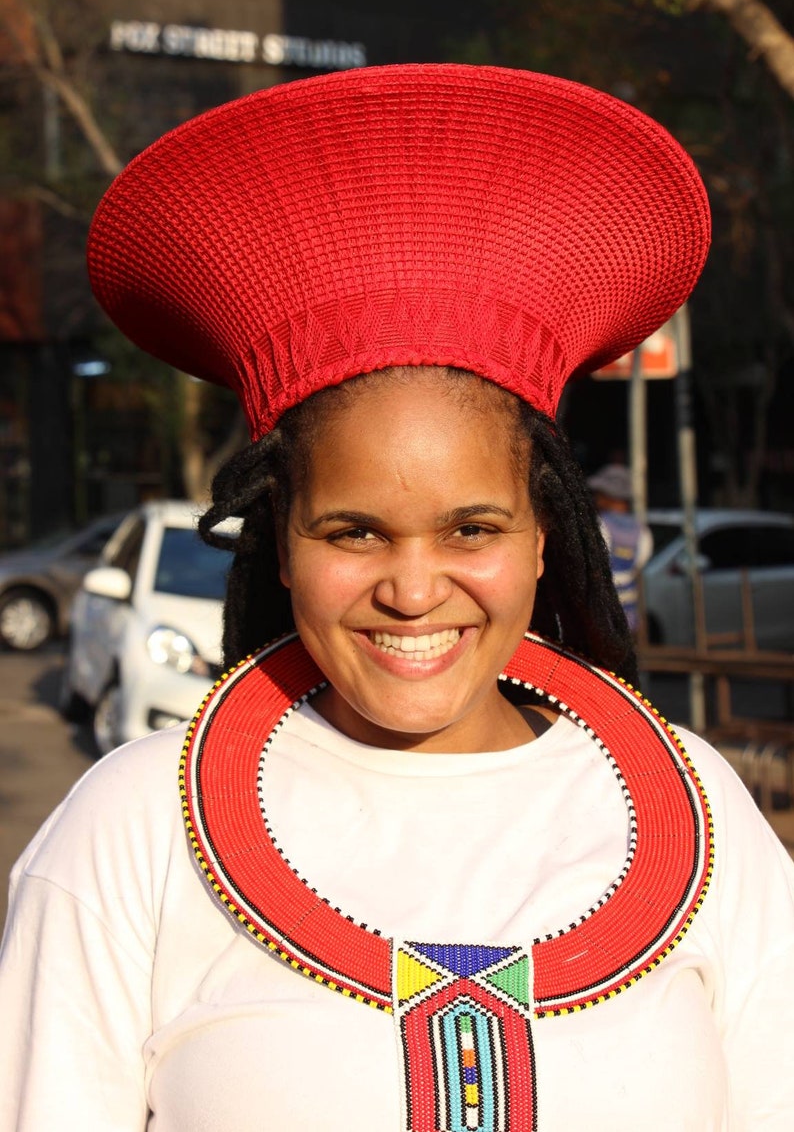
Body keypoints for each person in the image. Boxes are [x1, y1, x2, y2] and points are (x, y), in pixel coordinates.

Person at [1, 64, 792, 1131]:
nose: (413, 591)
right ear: (278, 541)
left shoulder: (702, 823)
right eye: (353, 531)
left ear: (543, 533)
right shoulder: (132, 829)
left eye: (472, 528)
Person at [587, 463, 653, 633]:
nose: (596, 498)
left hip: (601, 615)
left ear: (609, 495)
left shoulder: (600, 525)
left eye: (599, 493)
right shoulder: (642, 532)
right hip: (628, 614)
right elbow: (639, 562)